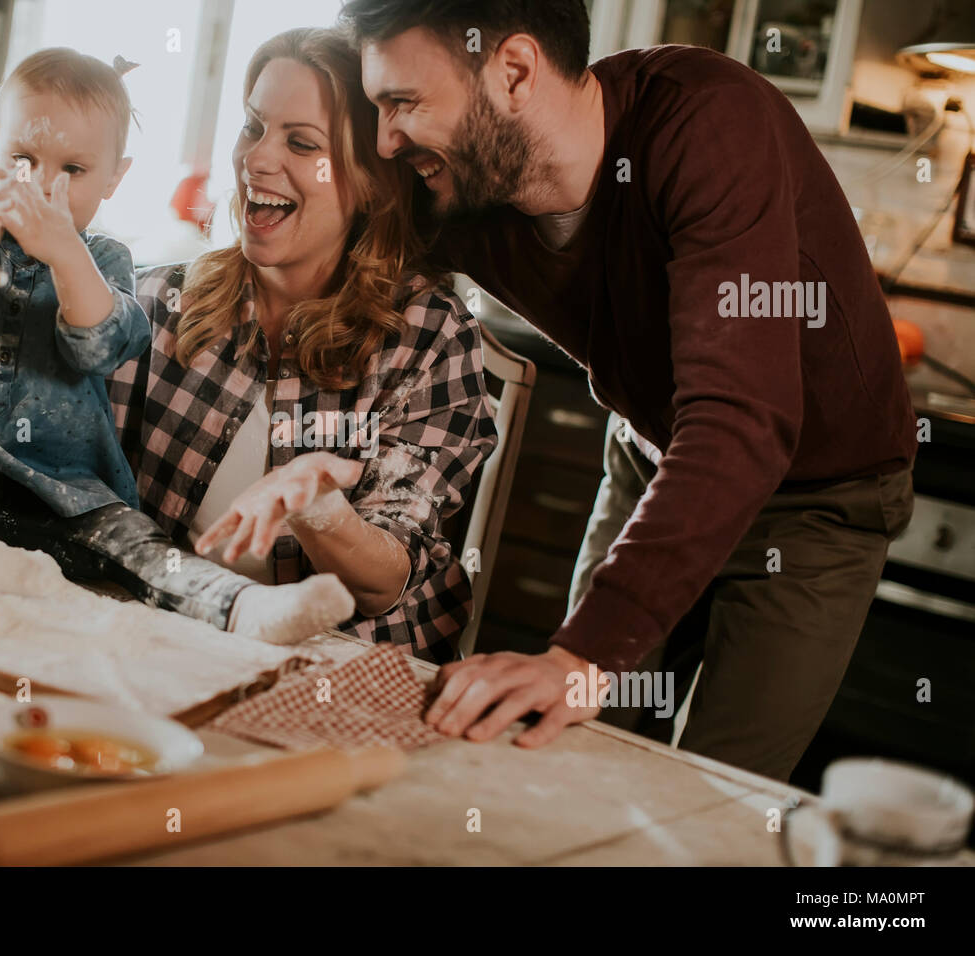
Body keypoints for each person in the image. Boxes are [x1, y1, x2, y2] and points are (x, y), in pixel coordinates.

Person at [0, 28, 498, 662]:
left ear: (366, 181)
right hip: (169, 644)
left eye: (301, 143)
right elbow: (11, 474)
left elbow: (393, 577)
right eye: (253, 126)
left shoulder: (428, 338)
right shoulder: (161, 302)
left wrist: (316, 505)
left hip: (351, 676)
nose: (255, 158)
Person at [342, 0, 916, 780]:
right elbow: (330, 243)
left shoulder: (709, 123)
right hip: (653, 458)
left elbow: (741, 421)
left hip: (818, 504)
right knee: (565, 752)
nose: (387, 139)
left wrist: (579, 655)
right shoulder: (455, 183)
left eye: (402, 104)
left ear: (513, 71)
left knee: (709, 796)